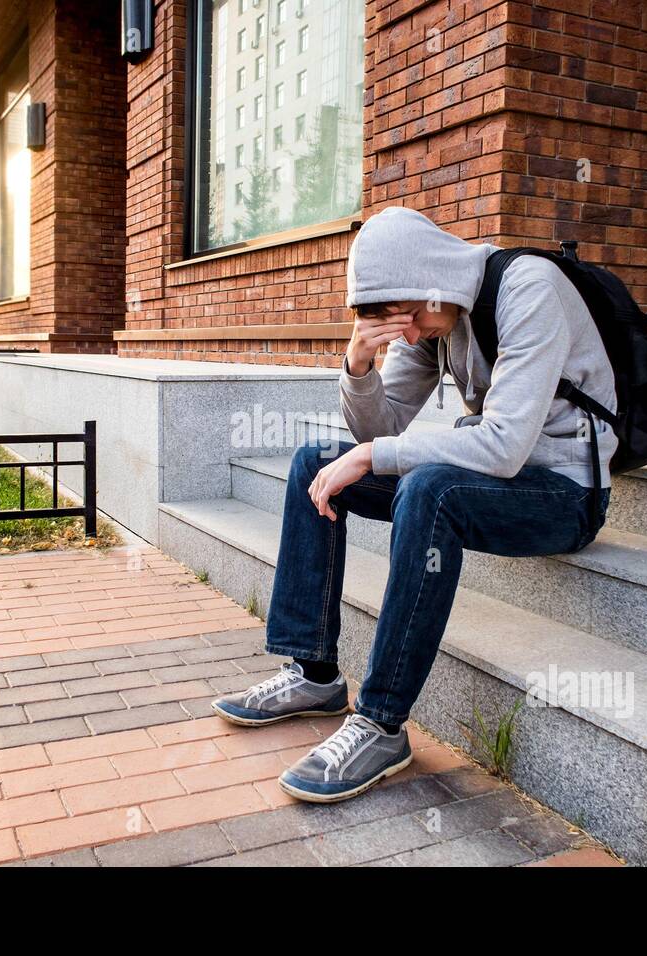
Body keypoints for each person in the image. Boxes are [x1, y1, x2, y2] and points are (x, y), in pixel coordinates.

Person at [211, 206, 618, 803]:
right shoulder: (434, 317)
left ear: (434, 280)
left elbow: (503, 447)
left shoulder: (530, 289)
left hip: (564, 493)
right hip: (495, 478)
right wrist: (357, 365)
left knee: (430, 491)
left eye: (407, 318)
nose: (405, 334)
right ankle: (315, 673)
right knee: (315, 462)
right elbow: (385, 423)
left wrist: (373, 454)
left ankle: (380, 722)